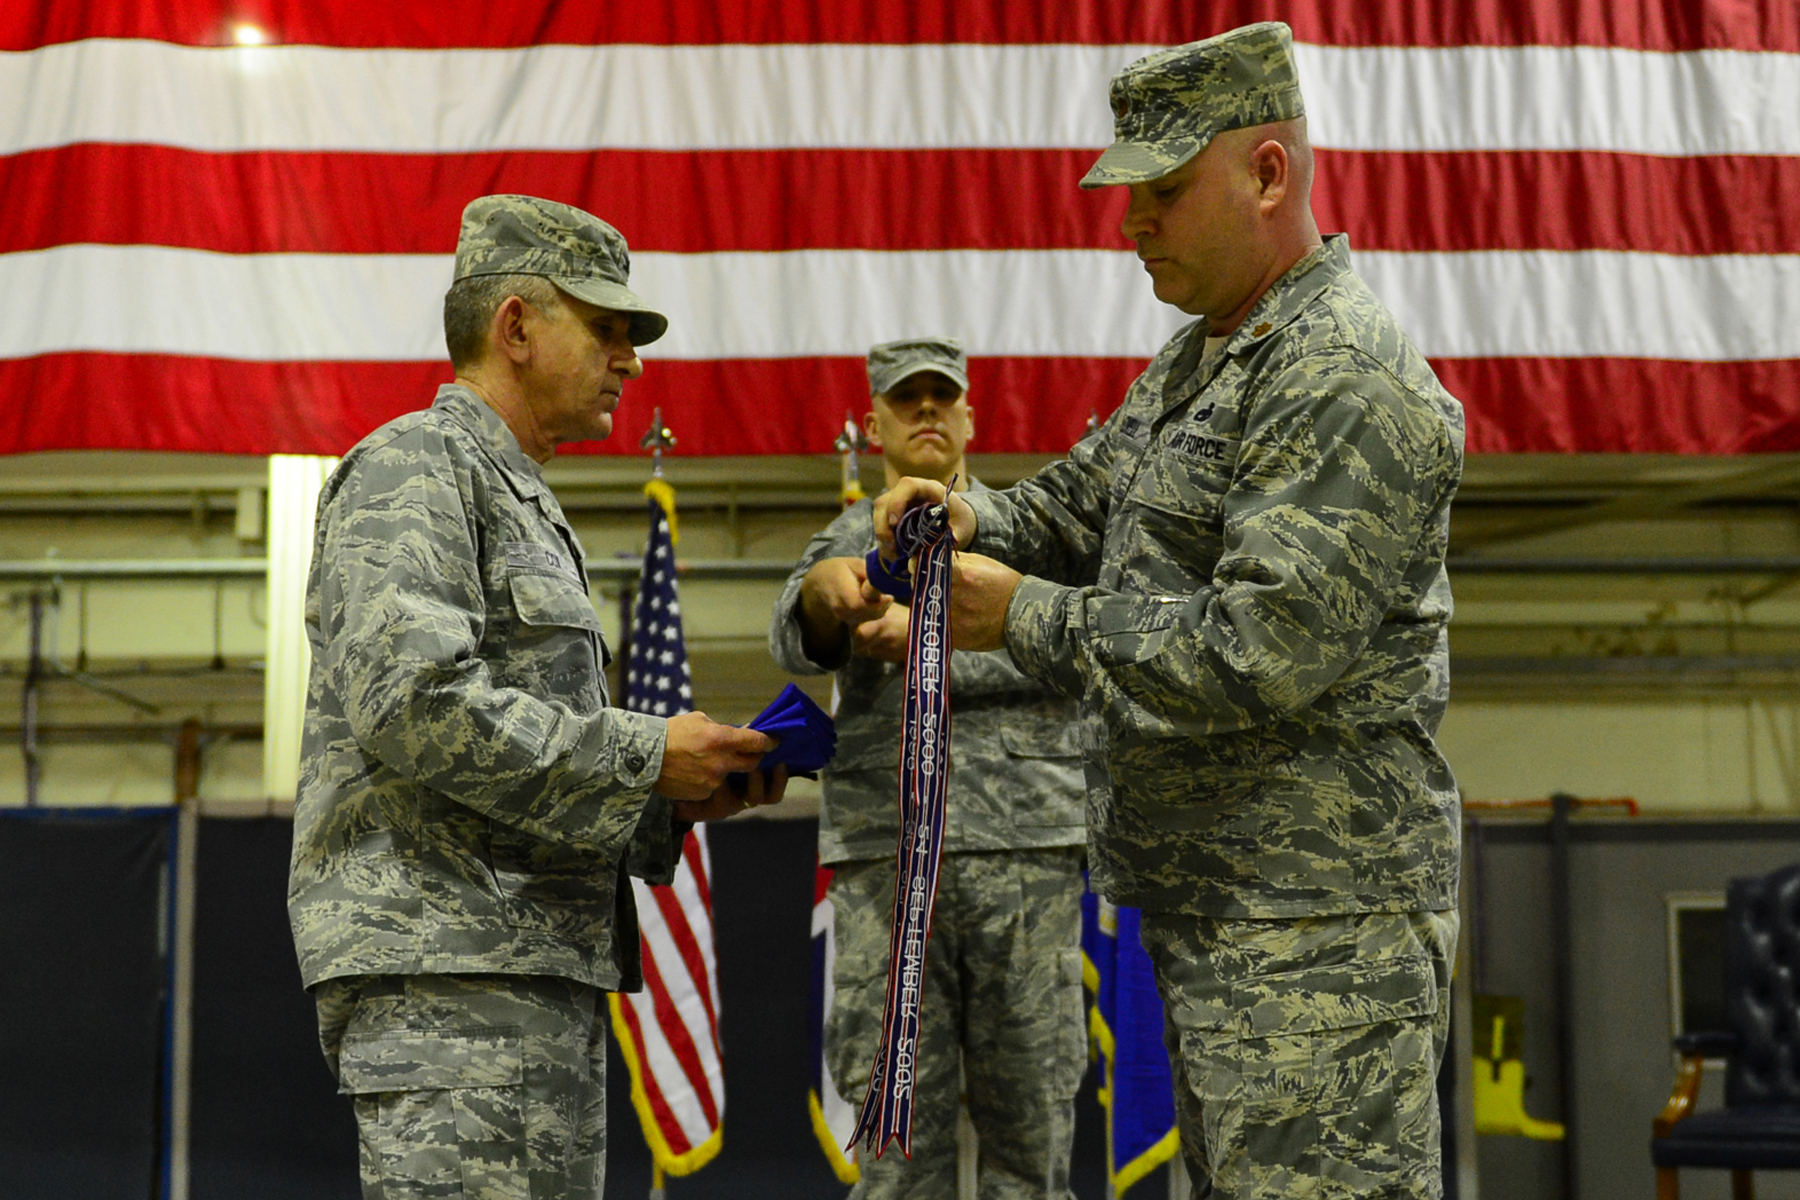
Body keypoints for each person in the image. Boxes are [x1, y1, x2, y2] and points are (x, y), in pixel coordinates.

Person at [873, 24, 1465, 1199]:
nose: (1131, 222)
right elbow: (1082, 501)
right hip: (1225, 910)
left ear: (1268, 174)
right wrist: (970, 517)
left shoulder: (1340, 371)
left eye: (1163, 190)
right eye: (1128, 194)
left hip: (1317, 931)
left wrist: (1024, 618)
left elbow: (1258, 651)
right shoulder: (1204, 359)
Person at [288, 194, 785, 1200]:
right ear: (515, 326)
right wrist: (643, 756)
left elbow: (507, 748)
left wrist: (668, 799)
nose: (630, 360)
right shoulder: (413, 466)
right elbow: (412, 702)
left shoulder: (515, 495)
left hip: (525, 969)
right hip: (449, 979)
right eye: (606, 329)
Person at [770, 338, 1089, 1198]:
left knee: (1033, 1136)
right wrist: (827, 600)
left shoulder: (1025, 531)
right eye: (905, 399)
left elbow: (1082, 644)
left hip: (1024, 853)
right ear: (872, 423)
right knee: (896, 1154)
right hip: (889, 864)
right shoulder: (846, 542)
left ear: (970, 418)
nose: (924, 412)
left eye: (941, 398)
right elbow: (793, 641)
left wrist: (936, 637)